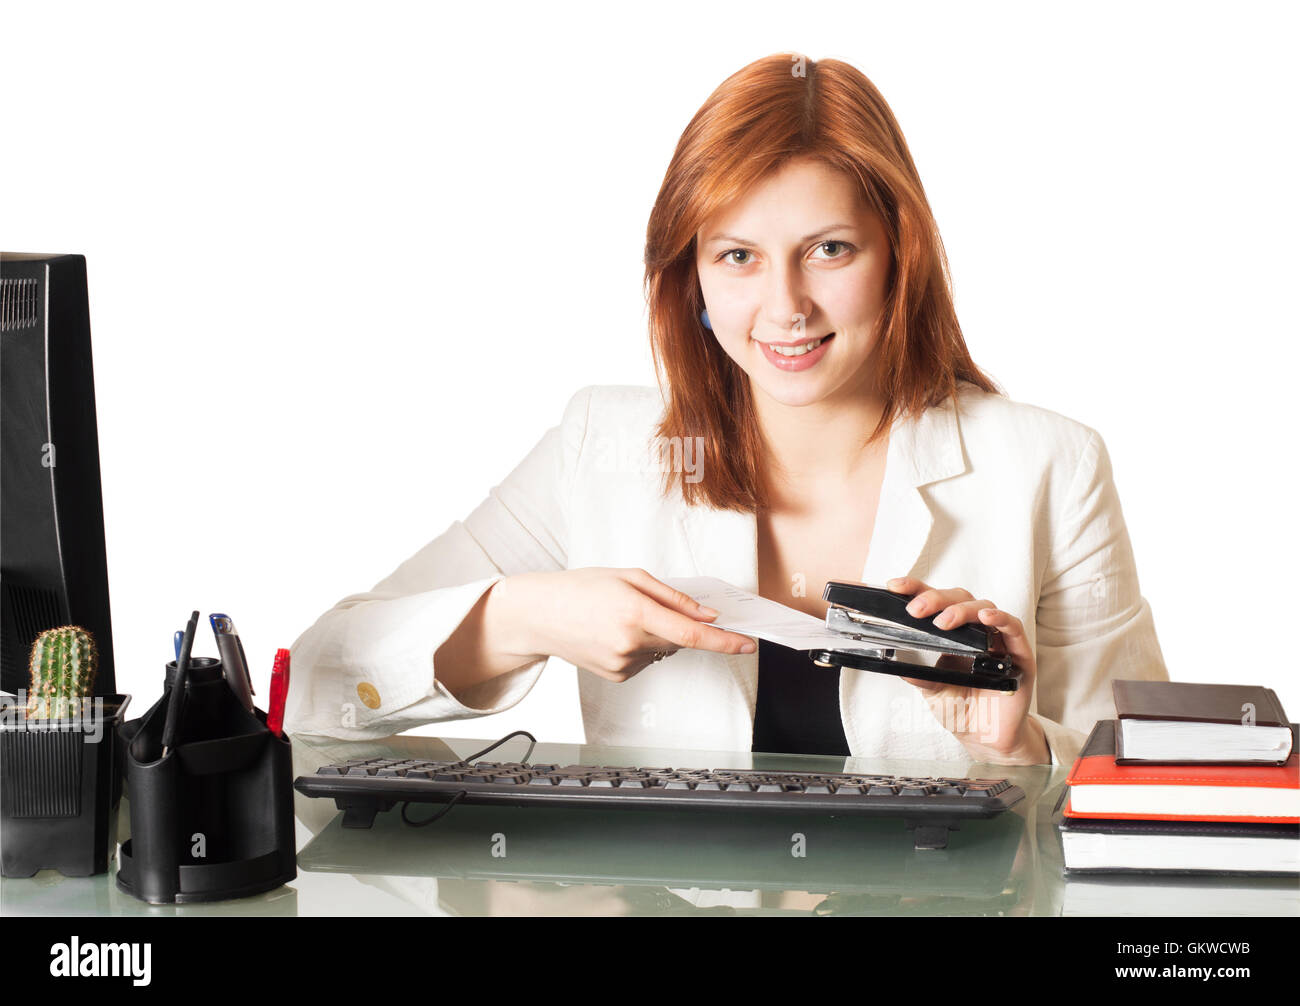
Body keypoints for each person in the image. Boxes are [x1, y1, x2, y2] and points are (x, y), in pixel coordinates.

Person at [284, 53, 1168, 767]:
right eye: (739, 255)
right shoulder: (603, 447)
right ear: (692, 278)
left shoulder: (1048, 466)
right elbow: (320, 681)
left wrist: (1022, 747)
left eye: (828, 249)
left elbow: (1137, 783)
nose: (785, 306)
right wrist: (523, 618)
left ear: (900, 258)